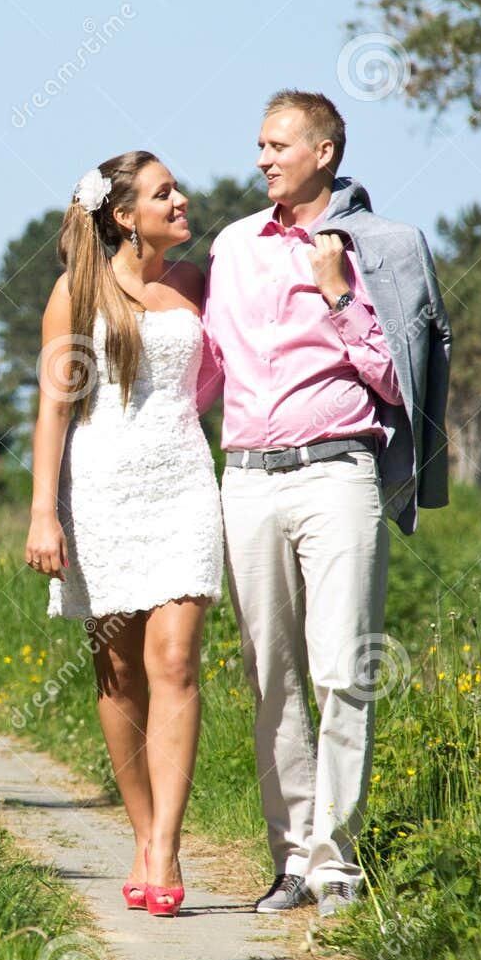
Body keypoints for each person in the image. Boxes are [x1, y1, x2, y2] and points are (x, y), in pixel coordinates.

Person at [200, 90, 451, 918]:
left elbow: (402, 382)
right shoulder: (234, 245)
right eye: (260, 145)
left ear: (325, 152)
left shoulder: (384, 246)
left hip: (338, 472)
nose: (262, 159)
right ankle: (292, 860)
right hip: (246, 477)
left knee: (342, 668)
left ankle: (336, 861)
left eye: (278, 145)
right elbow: (212, 364)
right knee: (269, 674)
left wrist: (339, 293)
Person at [24, 150, 223, 918]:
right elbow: (53, 407)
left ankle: (166, 846)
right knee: (117, 672)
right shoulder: (76, 293)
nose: (181, 200)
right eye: (163, 193)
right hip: (100, 495)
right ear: (123, 215)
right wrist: (44, 513)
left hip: (184, 486)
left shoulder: (197, 281)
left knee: (173, 660)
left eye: (177, 189)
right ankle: (141, 831)